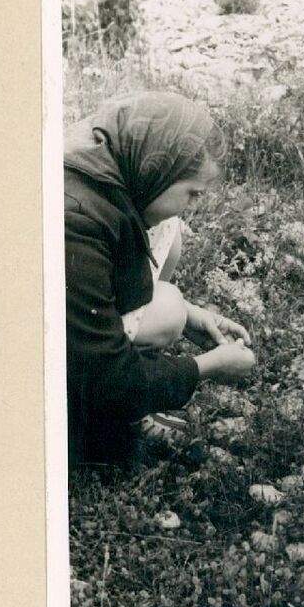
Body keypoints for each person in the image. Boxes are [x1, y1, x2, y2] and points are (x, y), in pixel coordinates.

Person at [64, 91, 255, 465]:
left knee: (170, 233)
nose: (194, 205)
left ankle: (133, 407)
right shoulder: (76, 222)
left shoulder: (106, 168)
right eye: (192, 193)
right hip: (55, 381)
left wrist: (192, 314)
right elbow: (105, 377)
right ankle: (108, 423)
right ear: (159, 168)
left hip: (71, 336)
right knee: (166, 309)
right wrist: (208, 367)